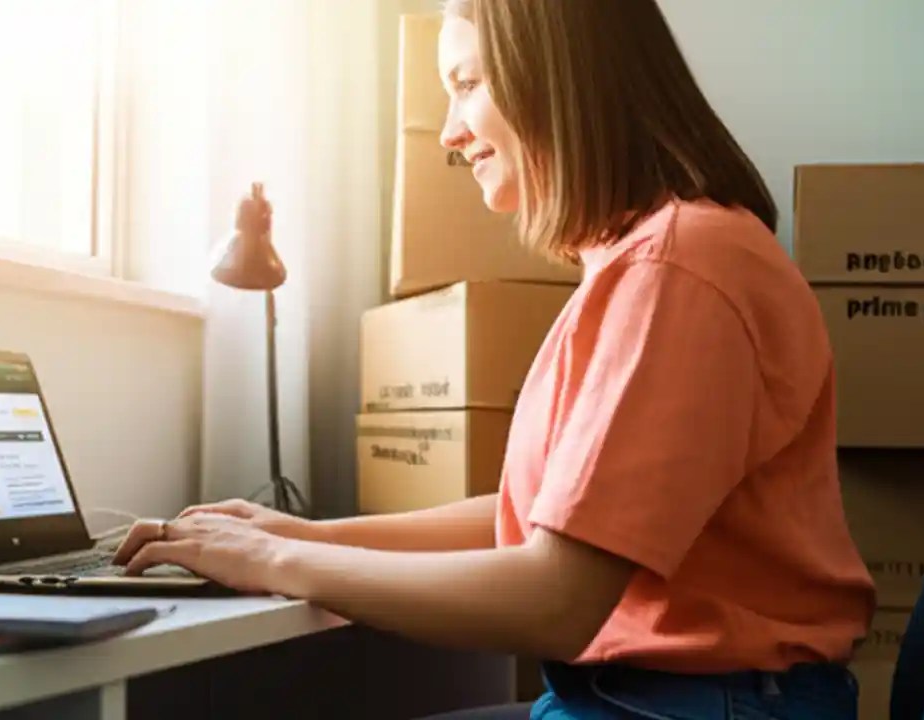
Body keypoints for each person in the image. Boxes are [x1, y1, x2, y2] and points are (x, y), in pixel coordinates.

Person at [113, 1, 877, 717]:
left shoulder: (678, 268)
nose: (450, 131)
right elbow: (539, 530)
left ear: (557, 74)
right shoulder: (647, 259)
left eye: (467, 84)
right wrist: (297, 536)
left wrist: (276, 564)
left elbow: (555, 597)